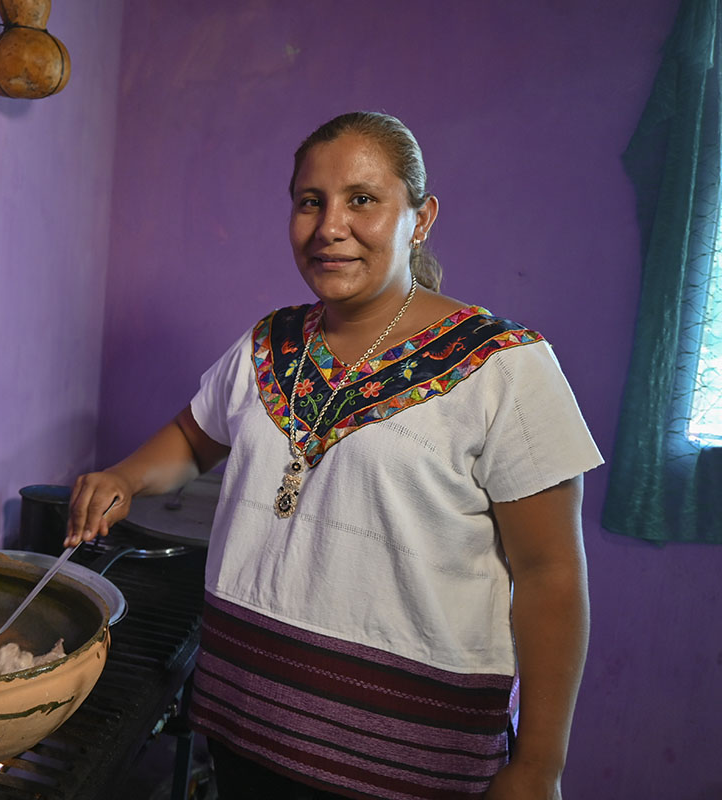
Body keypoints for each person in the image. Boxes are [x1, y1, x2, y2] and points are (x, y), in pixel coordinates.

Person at [65, 111, 602, 800]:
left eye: (363, 200)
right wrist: (125, 476)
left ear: (421, 216)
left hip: (407, 764)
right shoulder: (270, 344)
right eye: (310, 202)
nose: (330, 227)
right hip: (245, 727)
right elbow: (197, 437)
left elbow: (551, 574)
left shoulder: (505, 367)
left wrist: (538, 766)